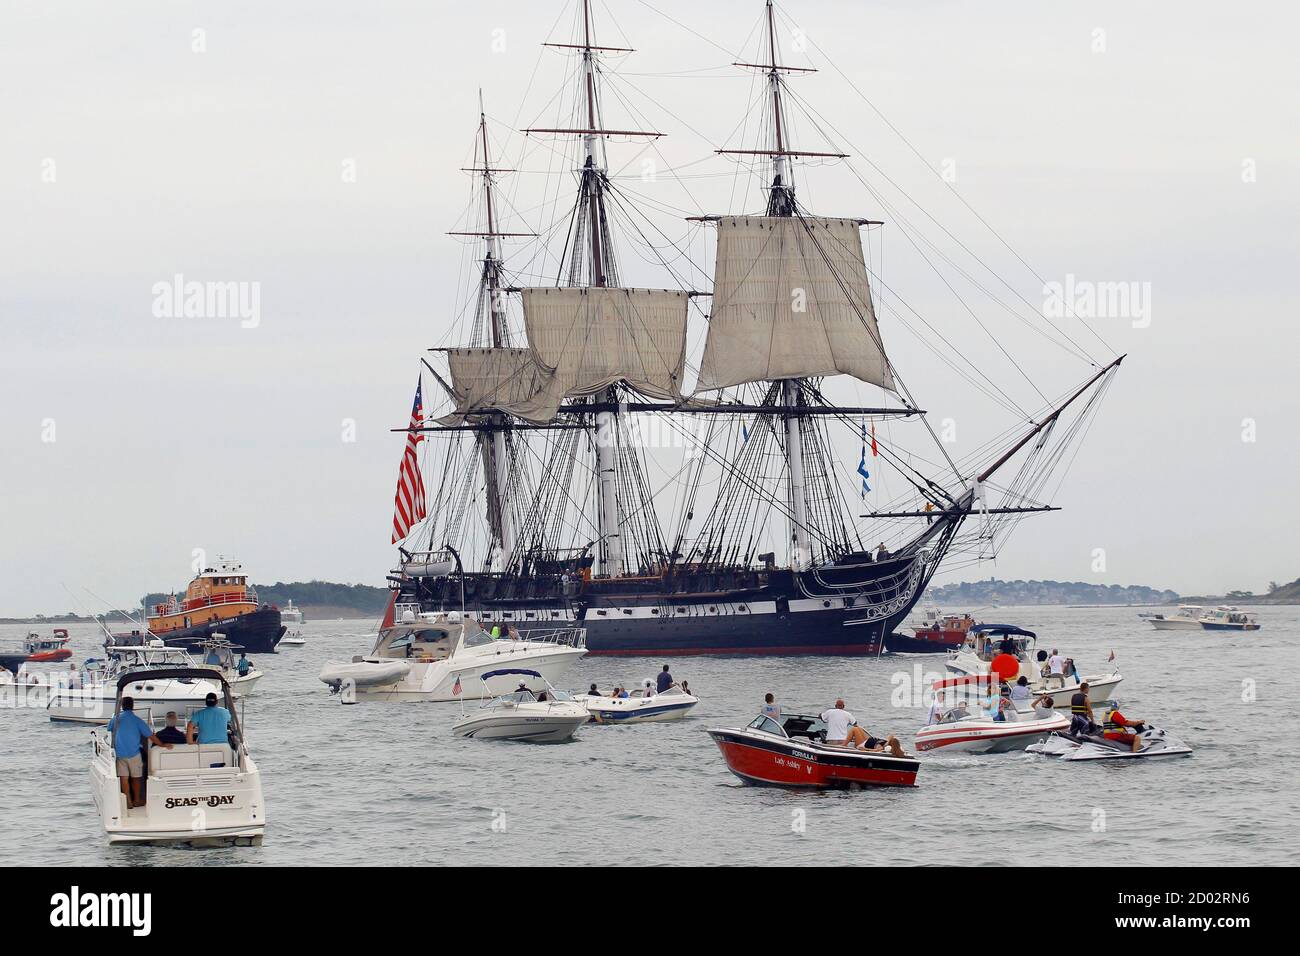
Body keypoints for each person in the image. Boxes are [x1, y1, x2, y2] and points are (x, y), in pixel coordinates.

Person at [108, 696, 173, 808]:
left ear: (122, 706)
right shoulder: (137, 720)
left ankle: (128, 800)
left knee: (124, 778)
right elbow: (150, 736)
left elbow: (109, 729)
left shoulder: (116, 719)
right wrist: (162, 744)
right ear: (132, 706)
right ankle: (137, 800)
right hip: (134, 753)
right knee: (136, 778)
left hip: (120, 754)